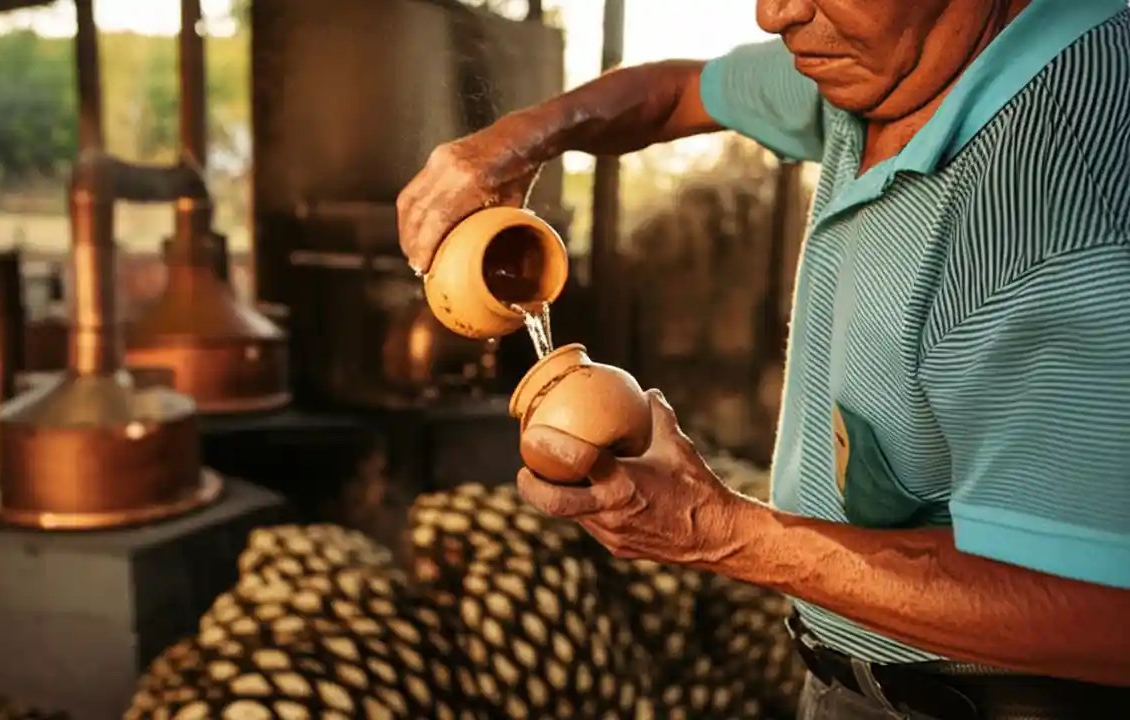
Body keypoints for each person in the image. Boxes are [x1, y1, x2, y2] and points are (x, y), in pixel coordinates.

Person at [397, 0, 1130, 717]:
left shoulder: (1059, 208)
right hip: (853, 677)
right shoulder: (893, 58)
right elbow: (674, 93)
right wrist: (516, 141)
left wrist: (724, 534)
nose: (772, 15)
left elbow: (1106, 619)